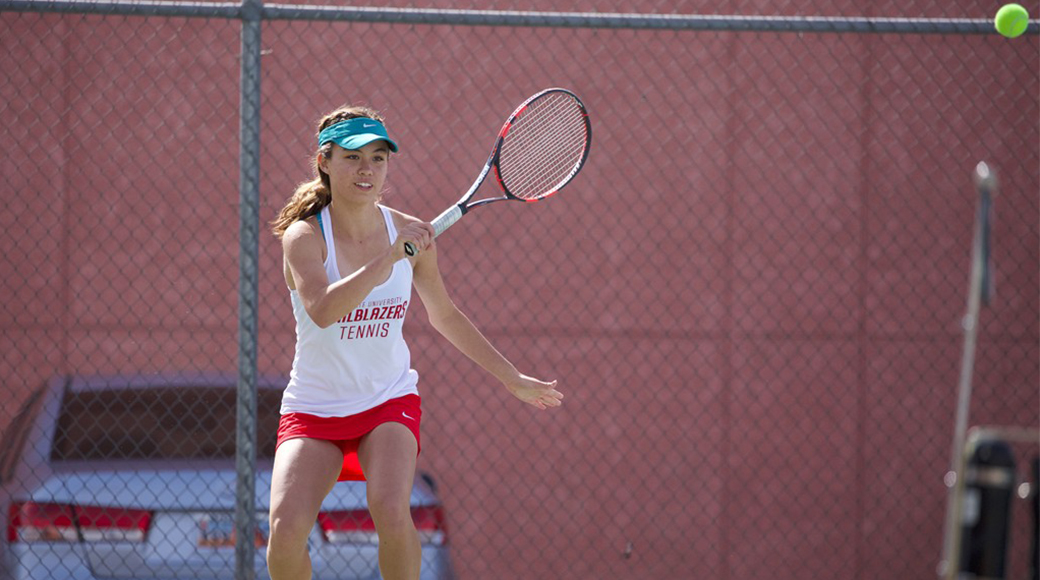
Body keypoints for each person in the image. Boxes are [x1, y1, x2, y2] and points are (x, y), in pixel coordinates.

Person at [267, 105, 564, 580]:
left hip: (387, 400)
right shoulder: (304, 236)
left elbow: (444, 315)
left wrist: (511, 378)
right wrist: (387, 259)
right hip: (314, 407)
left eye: (379, 158)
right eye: (353, 157)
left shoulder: (408, 233)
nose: (368, 170)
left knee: (389, 506)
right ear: (325, 161)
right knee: (284, 530)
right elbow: (323, 310)